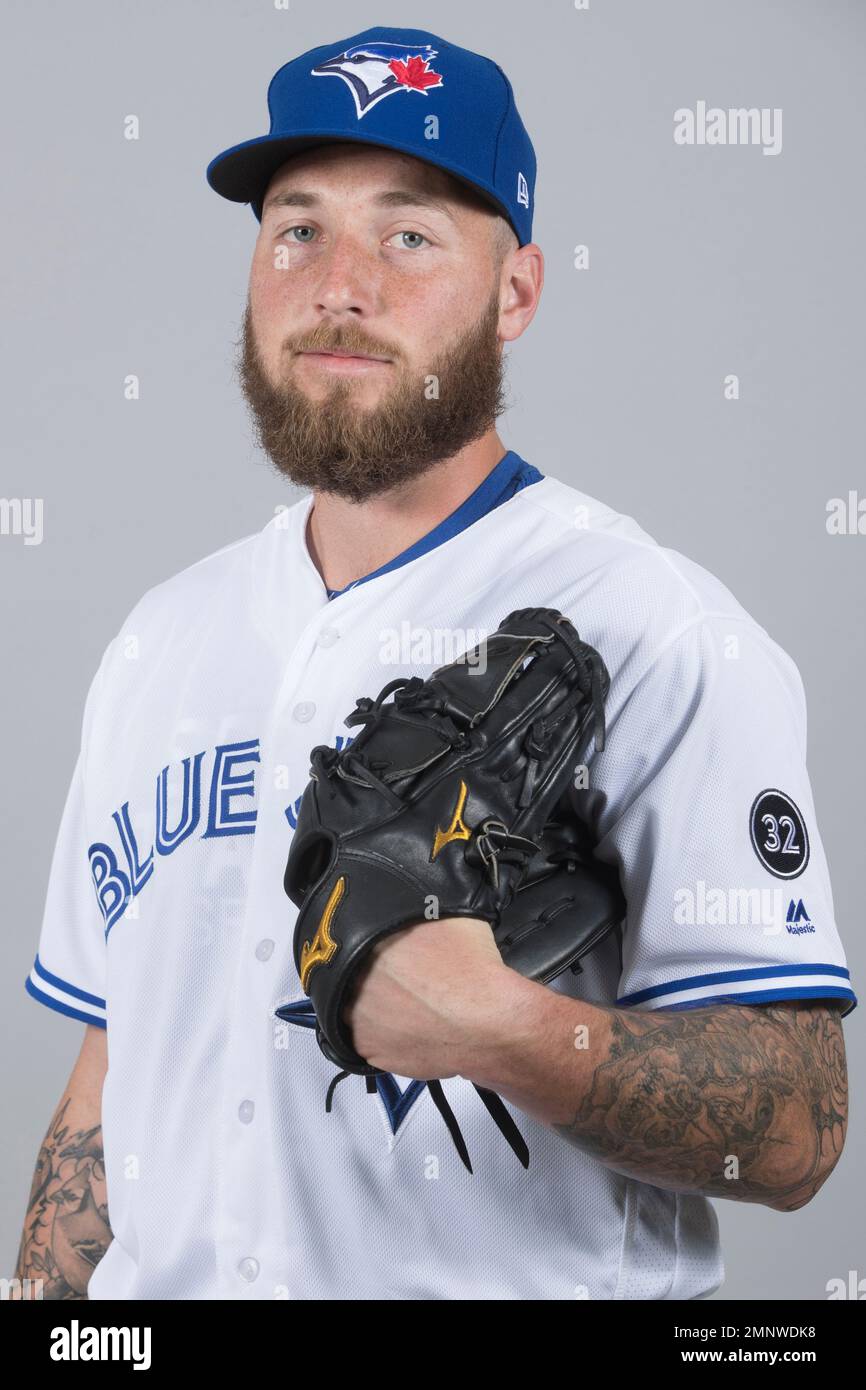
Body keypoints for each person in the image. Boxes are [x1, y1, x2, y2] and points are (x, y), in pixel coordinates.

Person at [16, 26, 853, 1302]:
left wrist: (509, 1028)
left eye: (407, 235)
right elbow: (112, 1071)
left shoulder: (649, 623)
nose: (337, 284)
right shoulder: (159, 639)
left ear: (515, 291)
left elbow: (796, 1127)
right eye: (295, 228)